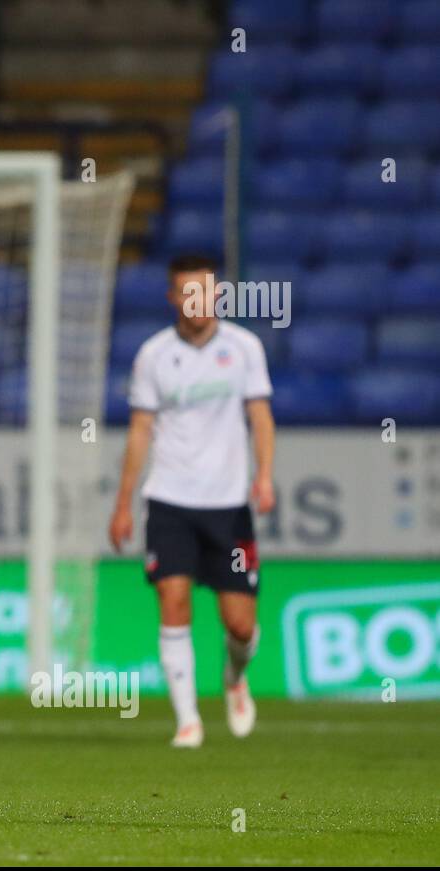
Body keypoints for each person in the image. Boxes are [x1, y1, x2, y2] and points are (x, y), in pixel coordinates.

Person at [108, 253, 275, 748]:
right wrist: (123, 503)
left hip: (228, 506)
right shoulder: (153, 355)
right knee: (173, 599)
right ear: (172, 297)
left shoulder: (244, 348)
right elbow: (140, 431)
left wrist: (264, 476)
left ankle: (234, 676)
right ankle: (188, 721)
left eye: (204, 292)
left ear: (218, 295)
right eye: (186, 292)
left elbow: (260, 417)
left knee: (240, 624)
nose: (196, 302)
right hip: (169, 501)